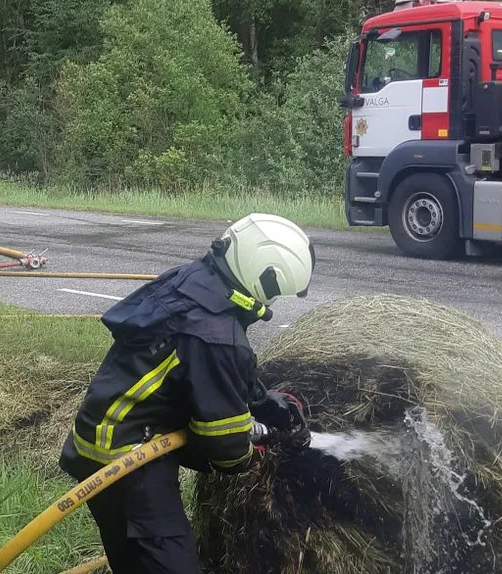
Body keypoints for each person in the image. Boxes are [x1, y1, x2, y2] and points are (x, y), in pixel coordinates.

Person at [58, 213, 316, 574]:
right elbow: (223, 447)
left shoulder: (196, 281)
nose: (274, 301)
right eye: (277, 292)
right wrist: (259, 446)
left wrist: (259, 399)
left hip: (99, 434)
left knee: (131, 559)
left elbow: (199, 369)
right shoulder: (217, 336)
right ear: (266, 276)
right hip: (127, 458)